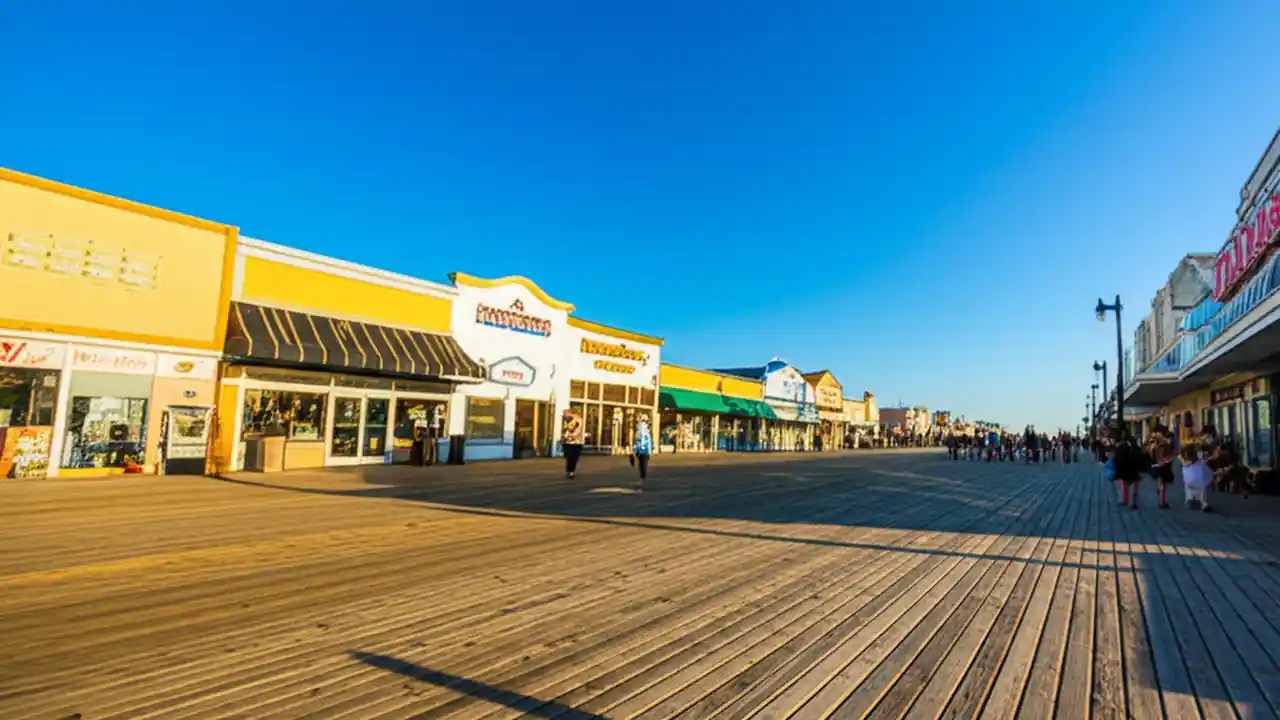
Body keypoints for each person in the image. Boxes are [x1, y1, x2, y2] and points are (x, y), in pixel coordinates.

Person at [1147, 425, 1175, 509]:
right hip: (1158, 465)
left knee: (1163, 483)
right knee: (1162, 483)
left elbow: (1169, 455)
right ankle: (1161, 501)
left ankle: (1161, 500)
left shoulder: (1164, 443)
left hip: (1161, 465)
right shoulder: (1154, 443)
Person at [1113, 437, 1145, 509]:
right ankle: (1132, 503)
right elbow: (1141, 459)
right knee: (1133, 486)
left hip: (1123, 470)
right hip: (1133, 470)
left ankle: (1125, 500)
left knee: (1124, 485)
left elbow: (1116, 458)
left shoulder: (1121, 447)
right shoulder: (1136, 449)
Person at [1181, 445, 1212, 511]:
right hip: (1196, 481)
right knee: (1201, 489)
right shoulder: (1194, 462)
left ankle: (1195, 500)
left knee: (1200, 489)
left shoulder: (1188, 463)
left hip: (1192, 481)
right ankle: (1202, 503)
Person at [562, 410, 585, 479]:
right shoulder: (565, 420)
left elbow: (574, 429)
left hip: (576, 442)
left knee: (573, 458)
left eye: (566, 413)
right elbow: (565, 430)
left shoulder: (578, 420)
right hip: (569, 442)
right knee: (570, 458)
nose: (565, 415)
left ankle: (571, 471)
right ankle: (570, 471)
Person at [632, 418, 653, 490]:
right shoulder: (642, 433)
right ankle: (642, 477)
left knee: (642, 464)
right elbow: (638, 442)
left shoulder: (642, 433)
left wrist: (635, 449)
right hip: (643, 452)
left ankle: (643, 478)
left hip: (643, 452)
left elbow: (639, 442)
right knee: (642, 464)